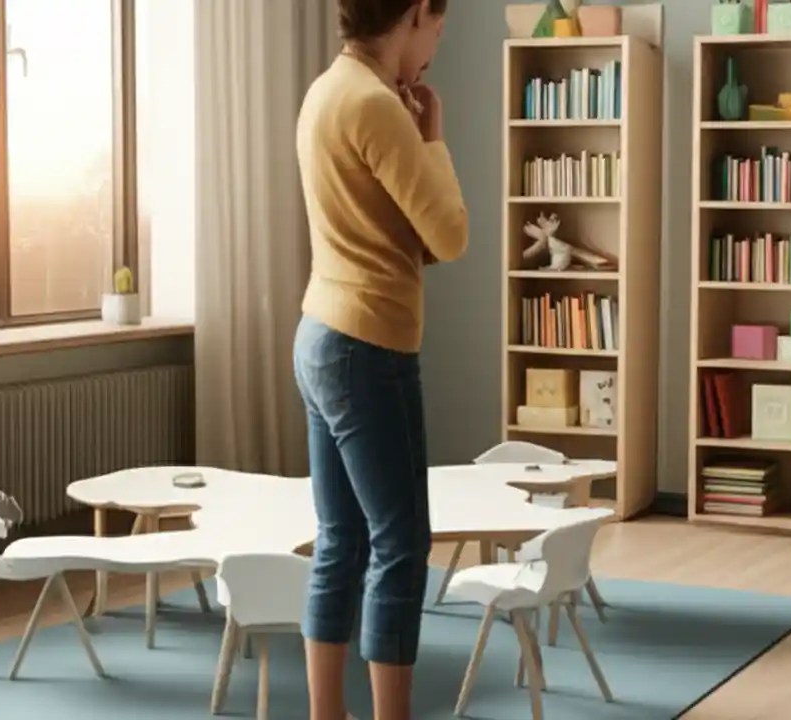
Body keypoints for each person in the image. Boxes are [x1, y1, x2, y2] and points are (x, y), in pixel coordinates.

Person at [292, 0, 466, 718]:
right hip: (369, 347)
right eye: (437, 31)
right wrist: (435, 138)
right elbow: (450, 236)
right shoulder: (379, 106)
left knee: (341, 542)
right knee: (402, 546)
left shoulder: (327, 90)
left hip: (320, 334)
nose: (432, 50)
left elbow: (404, 232)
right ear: (418, 12)